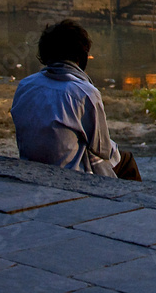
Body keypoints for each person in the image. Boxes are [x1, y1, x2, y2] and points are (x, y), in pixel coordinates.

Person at [11, 20, 141, 180]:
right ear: (82, 55)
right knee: (126, 161)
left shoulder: (25, 85)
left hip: (30, 166)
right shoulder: (85, 92)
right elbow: (103, 149)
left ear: (45, 54)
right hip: (68, 175)